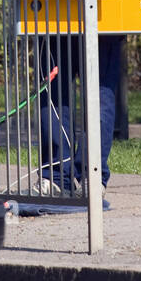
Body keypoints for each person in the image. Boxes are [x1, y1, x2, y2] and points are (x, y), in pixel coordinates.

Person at [37, 33, 122, 196]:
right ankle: (57, 177)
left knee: (99, 99)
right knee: (53, 99)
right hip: (53, 20)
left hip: (105, 24)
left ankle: (92, 174)